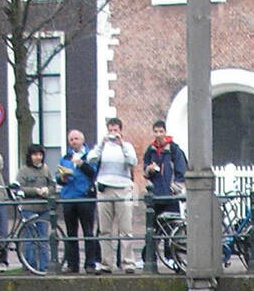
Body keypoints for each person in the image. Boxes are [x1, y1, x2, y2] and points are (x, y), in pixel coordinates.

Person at [87, 117, 139, 272]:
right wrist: (101, 145)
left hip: (123, 189)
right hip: (104, 189)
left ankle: (127, 263)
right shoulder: (102, 147)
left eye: (116, 130)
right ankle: (106, 263)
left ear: (121, 131)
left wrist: (121, 144)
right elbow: (90, 159)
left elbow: (133, 161)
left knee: (125, 229)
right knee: (104, 229)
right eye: (110, 130)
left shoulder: (127, 146)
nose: (113, 133)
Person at [57, 128, 101, 274]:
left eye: (76, 139)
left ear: (82, 140)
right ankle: (72, 264)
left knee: (88, 231)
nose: (74, 142)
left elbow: (93, 173)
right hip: (68, 197)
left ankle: (90, 264)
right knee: (71, 233)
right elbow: (59, 177)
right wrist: (61, 178)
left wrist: (82, 164)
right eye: (71, 140)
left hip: (84, 196)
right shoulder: (65, 157)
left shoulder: (90, 156)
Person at [15, 143, 55, 271]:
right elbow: (19, 188)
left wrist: (47, 190)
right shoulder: (23, 170)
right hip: (29, 208)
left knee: (43, 238)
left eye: (40, 154)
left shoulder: (46, 169)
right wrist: (35, 191)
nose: (38, 157)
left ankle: (44, 267)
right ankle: (29, 266)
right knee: (29, 239)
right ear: (30, 156)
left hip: (43, 209)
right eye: (35, 155)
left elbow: (52, 185)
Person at [142, 119, 187, 218]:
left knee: (171, 224)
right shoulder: (150, 150)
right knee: (154, 226)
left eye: (161, 131)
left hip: (170, 195)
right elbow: (145, 168)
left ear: (165, 132)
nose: (158, 134)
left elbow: (181, 169)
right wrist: (149, 169)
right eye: (156, 132)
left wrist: (174, 187)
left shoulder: (174, 149)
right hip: (155, 194)